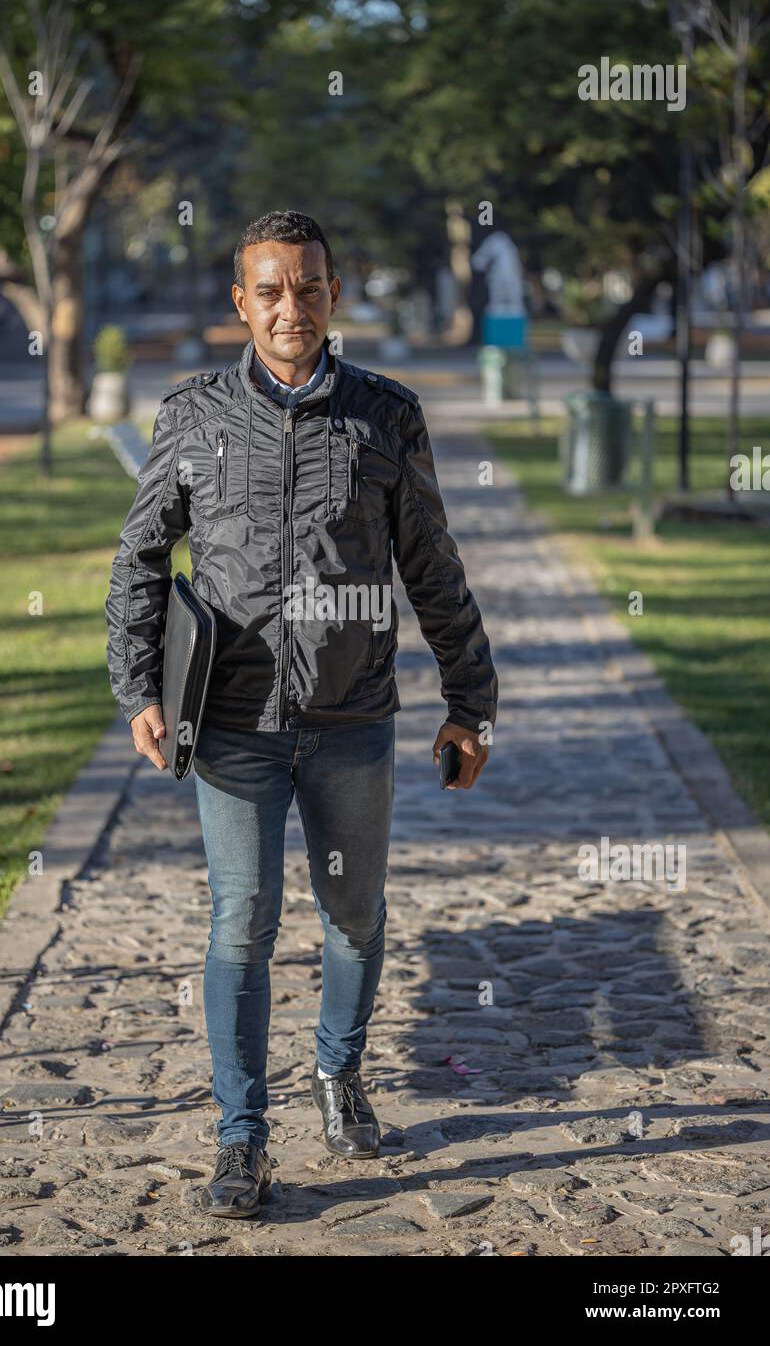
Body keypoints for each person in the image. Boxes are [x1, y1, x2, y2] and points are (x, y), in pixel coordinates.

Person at [105, 210, 498, 1218]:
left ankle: (338, 1071)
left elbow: (430, 566)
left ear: (333, 296)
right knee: (240, 921)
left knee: (352, 917)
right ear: (240, 302)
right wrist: (137, 684)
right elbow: (140, 558)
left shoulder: (385, 414)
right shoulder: (190, 415)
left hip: (351, 719)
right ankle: (241, 1139)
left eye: (308, 288)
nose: (290, 308)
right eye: (268, 290)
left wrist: (472, 702)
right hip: (231, 724)